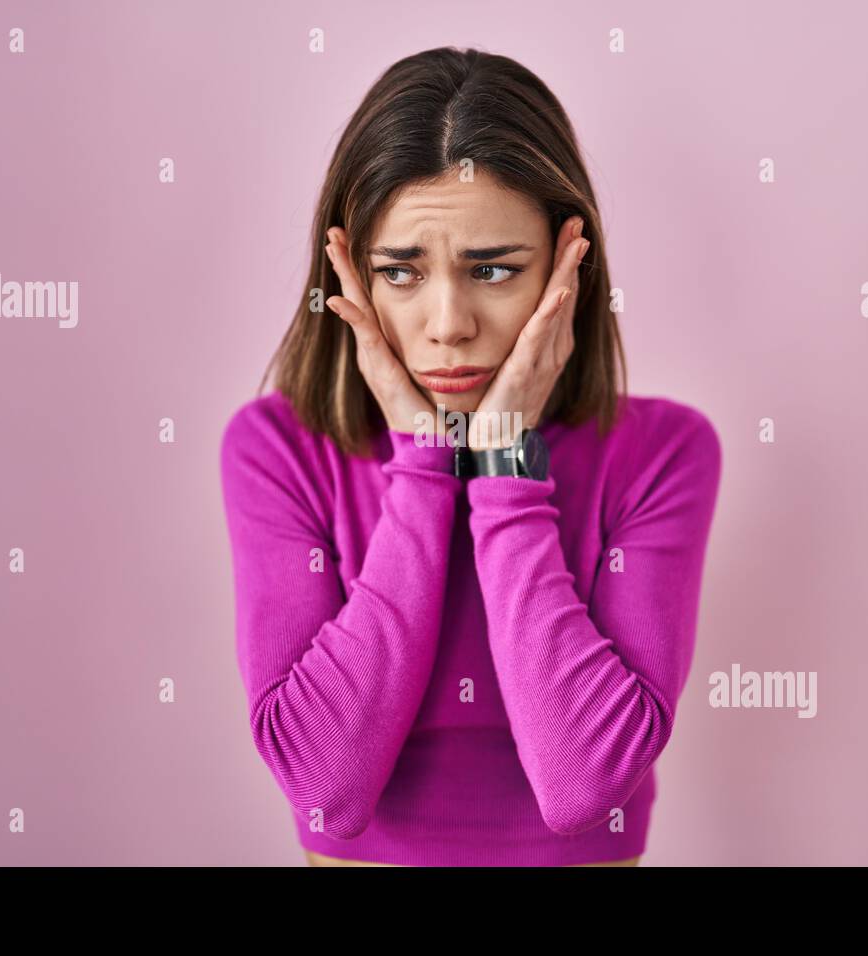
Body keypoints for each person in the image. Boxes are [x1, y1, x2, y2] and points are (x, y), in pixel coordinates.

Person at [220, 46, 722, 866]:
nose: (448, 323)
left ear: (570, 263)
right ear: (348, 274)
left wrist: (503, 463)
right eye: (401, 272)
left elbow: (584, 786)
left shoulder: (664, 454)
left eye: (492, 269)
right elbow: (325, 788)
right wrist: (425, 461)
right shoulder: (276, 449)